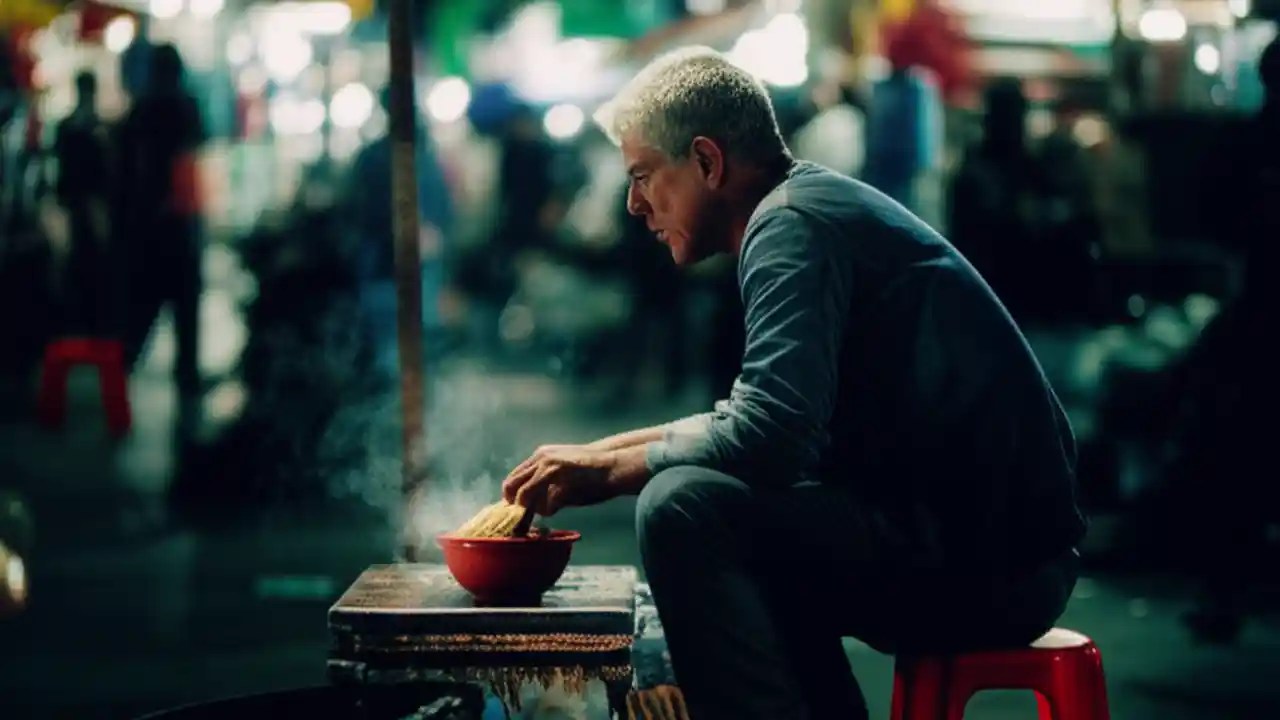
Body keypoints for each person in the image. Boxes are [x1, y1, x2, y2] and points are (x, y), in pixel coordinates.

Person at [501, 47, 1086, 720]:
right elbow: (756, 417)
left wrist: (609, 474)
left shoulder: (790, 226)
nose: (634, 204)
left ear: (707, 162)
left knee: (683, 508)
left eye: (643, 176)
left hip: (994, 564)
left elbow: (770, 436)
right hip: (976, 541)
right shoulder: (802, 208)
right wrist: (598, 454)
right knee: (731, 508)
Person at [116, 43, 206, 397]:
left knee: (142, 306)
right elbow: (194, 154)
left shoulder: (139, 111)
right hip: (179, 224)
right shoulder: (186, 107)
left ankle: (120, 374)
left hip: (145, 227)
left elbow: (124, 175)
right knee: (185, 308)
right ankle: (187, 380)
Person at [53, 71, 113, 333]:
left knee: (81, 261)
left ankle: (81, 320)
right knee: (90, 262)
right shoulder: (94, 127)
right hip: (89, 203)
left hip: (78, 202)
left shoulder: (73, 126)